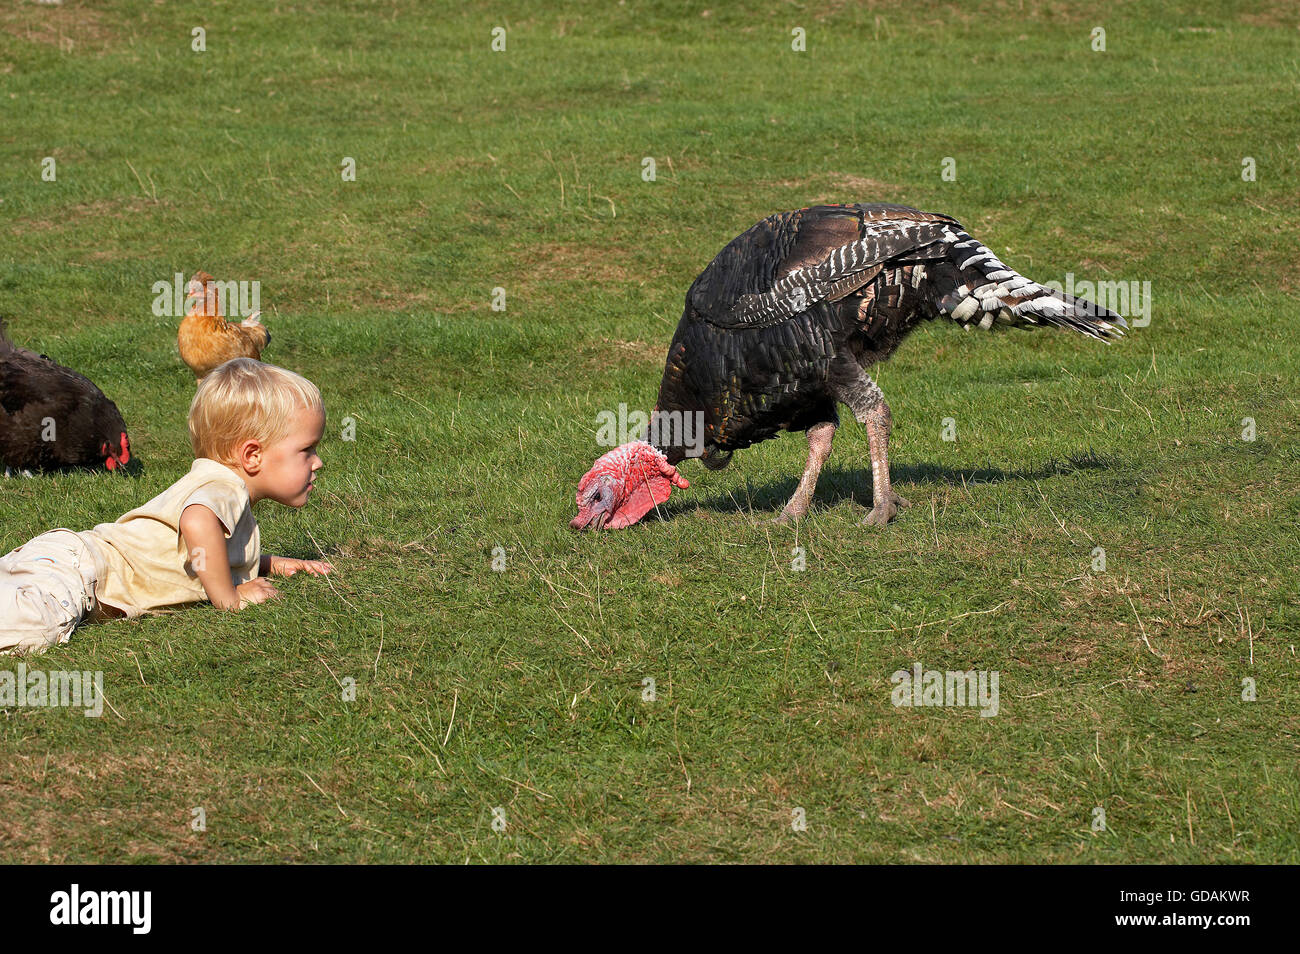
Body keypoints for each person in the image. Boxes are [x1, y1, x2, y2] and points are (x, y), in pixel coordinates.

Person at [0, 358, 332, 654]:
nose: (317, 462)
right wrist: (230, 598)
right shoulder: (222, 489)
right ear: (251, 455)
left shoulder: (219, 485)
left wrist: (270, 563)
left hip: (71, 558)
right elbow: (198, 524)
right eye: (307, 449)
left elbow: (206, 553)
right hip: (80, 571)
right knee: (34, 628)